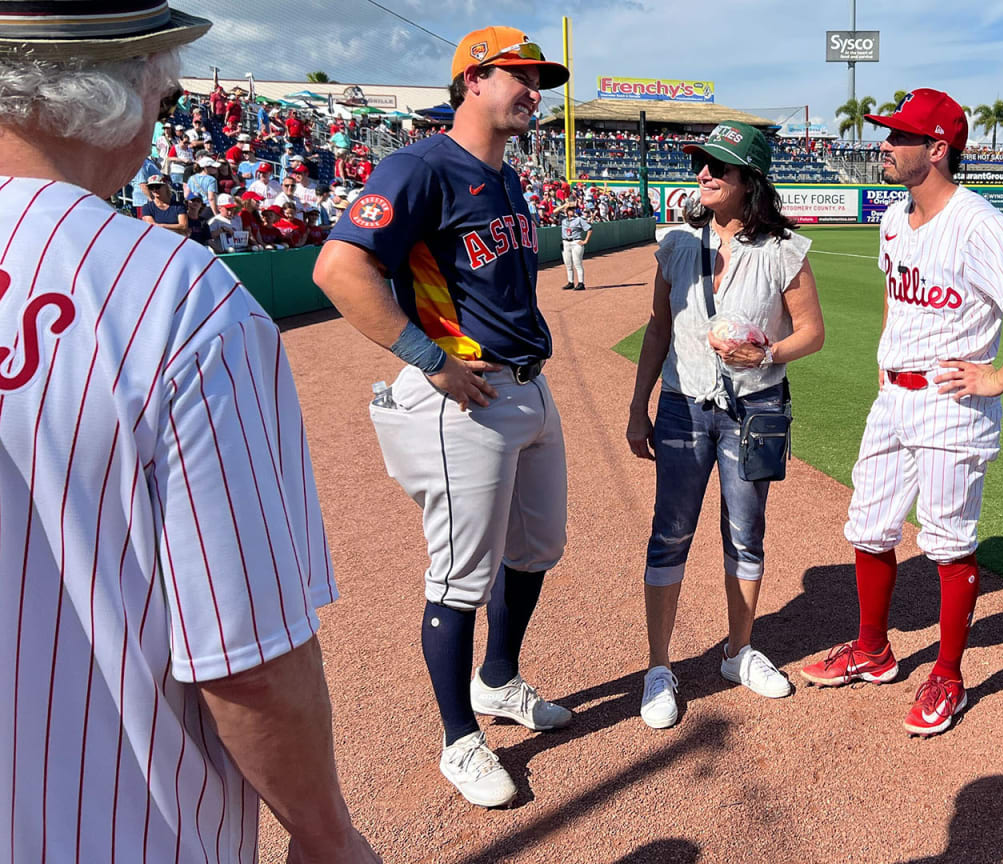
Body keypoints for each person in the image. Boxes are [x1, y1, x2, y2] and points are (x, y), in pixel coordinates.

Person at [0, 4, 379, 861]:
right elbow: (246, 660)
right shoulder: (174, 293)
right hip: (118, 832)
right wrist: (327, 837)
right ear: (125, 91)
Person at [313, 24, 573, 809]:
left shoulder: (507, 177)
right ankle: (460, 739)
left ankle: (498, 680)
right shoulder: (420, 166)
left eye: (540, 80)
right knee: (460, 577)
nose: (535, 91)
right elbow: (339, 268)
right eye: (522, 75)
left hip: (529, 386)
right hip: (467, 396)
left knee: (537, 550)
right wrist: (430, 361)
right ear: (474, 79)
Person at [799, 89, 1003, 736]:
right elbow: (895, 295)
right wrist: (885, 358)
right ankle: (872, 651)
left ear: (938, 149)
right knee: (869, 527)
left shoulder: (978, 222)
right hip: (894, 395)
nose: (885, 145)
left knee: (947, 541)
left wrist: (998, 377)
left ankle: (948, 674)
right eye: (887, 135)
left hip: (953, 401)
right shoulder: (895, 217)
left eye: (899, 136)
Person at [625, 121, 827, 729]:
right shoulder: (676, 245)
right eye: (702, 163)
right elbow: (658, 329)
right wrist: (638, 407)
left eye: (719, 165)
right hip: (683, 405)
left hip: (756, 409)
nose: (705, 173)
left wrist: (767, 354)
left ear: (750, 180)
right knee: (670, 535)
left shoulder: (785, 250)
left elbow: (812, 333)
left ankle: (738, 652)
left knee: (745, 534)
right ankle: (659, 667)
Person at [559, 203, 593, 290]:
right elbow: (554, 212)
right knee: (568, 264)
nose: (572, 211)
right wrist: (564, 205)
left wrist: (585, 241)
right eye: (570, 209)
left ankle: (581, 283)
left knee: (577, 263)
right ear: (566, 211)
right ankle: (570, 282)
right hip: (566, 242)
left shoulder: (578, 219)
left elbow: (589, 229)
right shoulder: (563, 219)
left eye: (573, 209)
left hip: (576, 242)